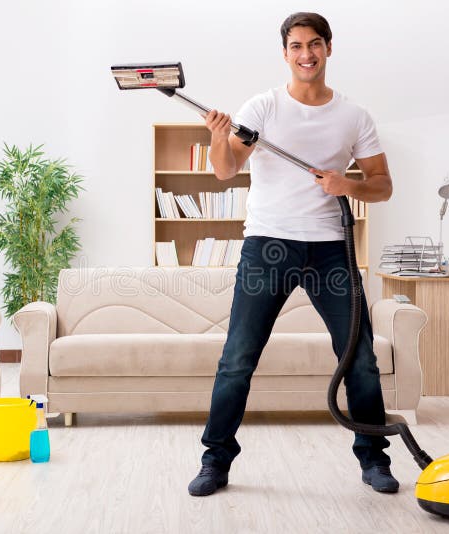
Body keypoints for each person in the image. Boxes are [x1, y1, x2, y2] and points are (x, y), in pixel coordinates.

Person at [188, 12, 397, 497]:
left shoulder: (354, 116)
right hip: (269, 247)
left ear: (328, 49)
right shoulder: (261, 108)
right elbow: (225, 170)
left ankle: (374, 459)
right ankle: (216, 460)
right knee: (238, 358)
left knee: (360, 357)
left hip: (330, 251)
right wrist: (219, 137)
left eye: (315, 44)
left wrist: (348, 183)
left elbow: (383, 186)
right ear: (285, 53)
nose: (307, 54)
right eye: (297, 46)